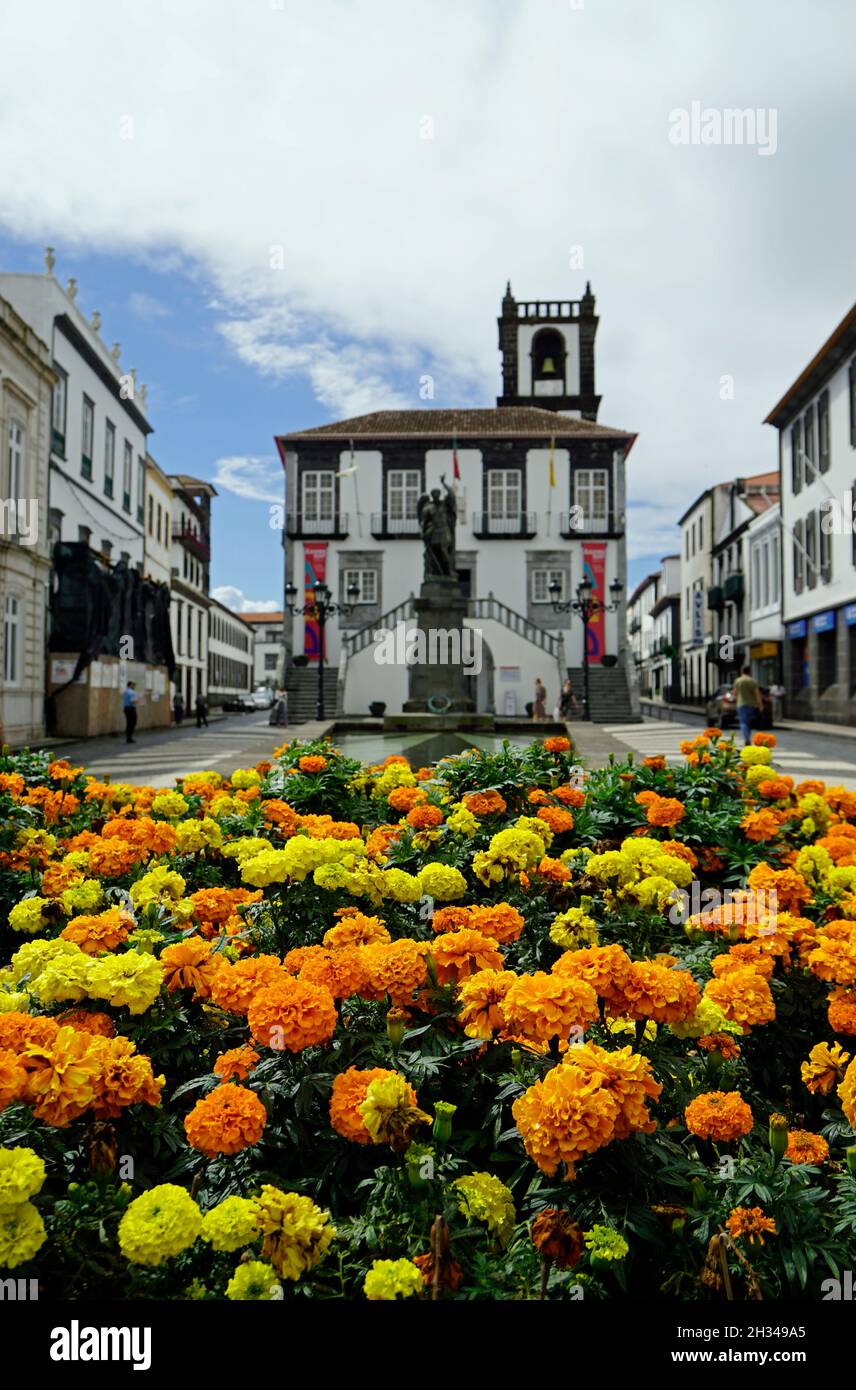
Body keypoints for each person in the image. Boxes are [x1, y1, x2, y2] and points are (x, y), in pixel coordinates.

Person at [732, 665, 763, 745]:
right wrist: (760, 704)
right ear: (749, 672)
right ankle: (747, 738)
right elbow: (757, 694)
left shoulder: (738, 681)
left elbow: (734, 693)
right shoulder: (752, 681)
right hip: (751, 705)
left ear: (742, 671)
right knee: (749, 723)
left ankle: (747, 739)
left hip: (741, 704)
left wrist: (736, 700)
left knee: (743, 722)